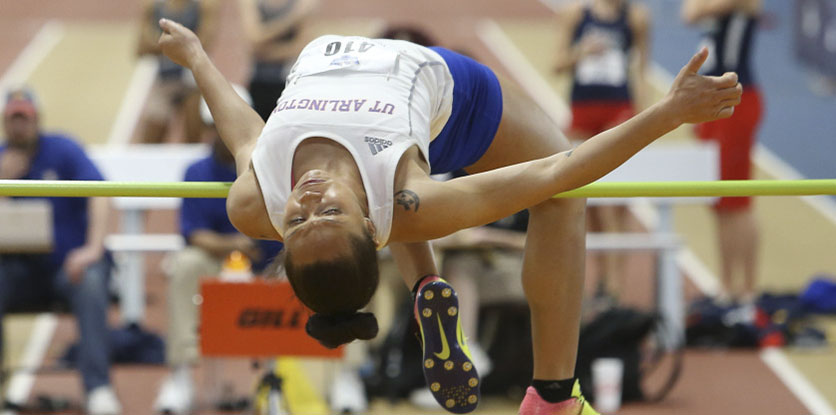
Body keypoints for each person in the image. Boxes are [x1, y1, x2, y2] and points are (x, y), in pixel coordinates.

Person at [157, 18, 741, 414]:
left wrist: (196, 57)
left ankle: (425, 287)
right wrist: (666, 114)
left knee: (399, 206)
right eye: (327, 211)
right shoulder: (410, 200)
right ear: (368, 229)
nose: (308, 200)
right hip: (455, 99)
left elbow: (243, 130)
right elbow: (557, 172)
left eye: (298, 221)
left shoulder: (257, 201)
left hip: (386, 160)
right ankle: (554, 396)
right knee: (561, 200)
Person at [154, 86, 283, 414]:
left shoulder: (273, 169)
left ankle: (305, 373)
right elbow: (193, 234)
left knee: (308, 265)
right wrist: (233, 244)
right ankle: (181, 373)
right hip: (217, 263)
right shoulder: (196, 172)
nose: (223, 132)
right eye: (214, 125)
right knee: (185, 265)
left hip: (266, 263)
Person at [0, 88, 121, 415]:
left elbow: (99, 192)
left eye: (25, 118)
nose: (20, 126)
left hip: (68, 267)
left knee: (92, 280)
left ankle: (98, 388)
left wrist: (92, 249)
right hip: (16, 270)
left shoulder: (63, 149)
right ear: (5, 122)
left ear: (37, 119)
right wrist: (3, 183)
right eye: (13, 119)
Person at [553, 0, 651, 299]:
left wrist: (644, 119)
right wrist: (582, 51)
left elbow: (641, 70)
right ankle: (601, 277)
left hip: (619, 110)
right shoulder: (576, 15)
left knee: (617, 201)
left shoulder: (636, 18)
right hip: (583, 110)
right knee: (589, 201)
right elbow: (557, 64)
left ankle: (615, 285)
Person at [682, 0, 763, 305]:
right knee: (718, 199)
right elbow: (688, 13)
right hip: (712, 94)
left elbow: (696, 11)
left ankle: (748, 287)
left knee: (737, 199)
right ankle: (727, 283)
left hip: (738, 97)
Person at [136, 0, 219, 142]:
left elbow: (205, 43)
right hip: (165, 80)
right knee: (149, 140)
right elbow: (141, 48)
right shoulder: (153, 5)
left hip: (194, 81)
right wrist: (181, 44)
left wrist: (162, 44)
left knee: (193, 135)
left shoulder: (204, 5)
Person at [239, 0, 318, 121]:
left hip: (289, 82)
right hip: (258, 83)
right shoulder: (299, 9)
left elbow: (303, 47)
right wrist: (294, 18)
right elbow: (254, 40)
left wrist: (265, 49)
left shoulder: (303, 2)